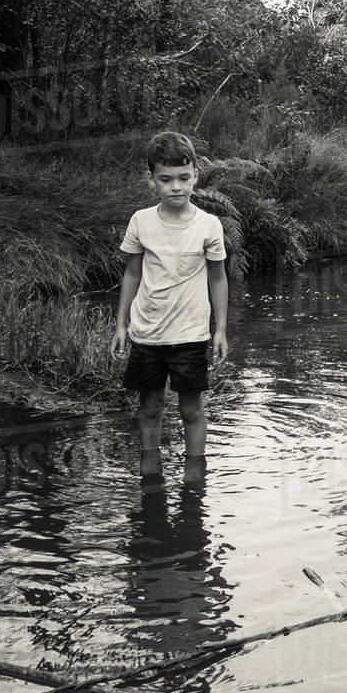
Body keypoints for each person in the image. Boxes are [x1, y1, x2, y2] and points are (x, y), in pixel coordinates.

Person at [111, 131, 229, 485]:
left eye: (183, 177)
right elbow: (132, 273)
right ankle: (150, 472)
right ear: (152, 179)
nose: (175, 187)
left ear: (195, 175)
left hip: (190, 335)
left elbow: (218, 278)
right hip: (147, 334)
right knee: (149, 407)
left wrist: (220, 329)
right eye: (165, 179)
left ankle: (194, 477)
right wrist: (121, 324)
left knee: (192, 409)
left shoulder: (208, 225)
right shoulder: (141, 221)